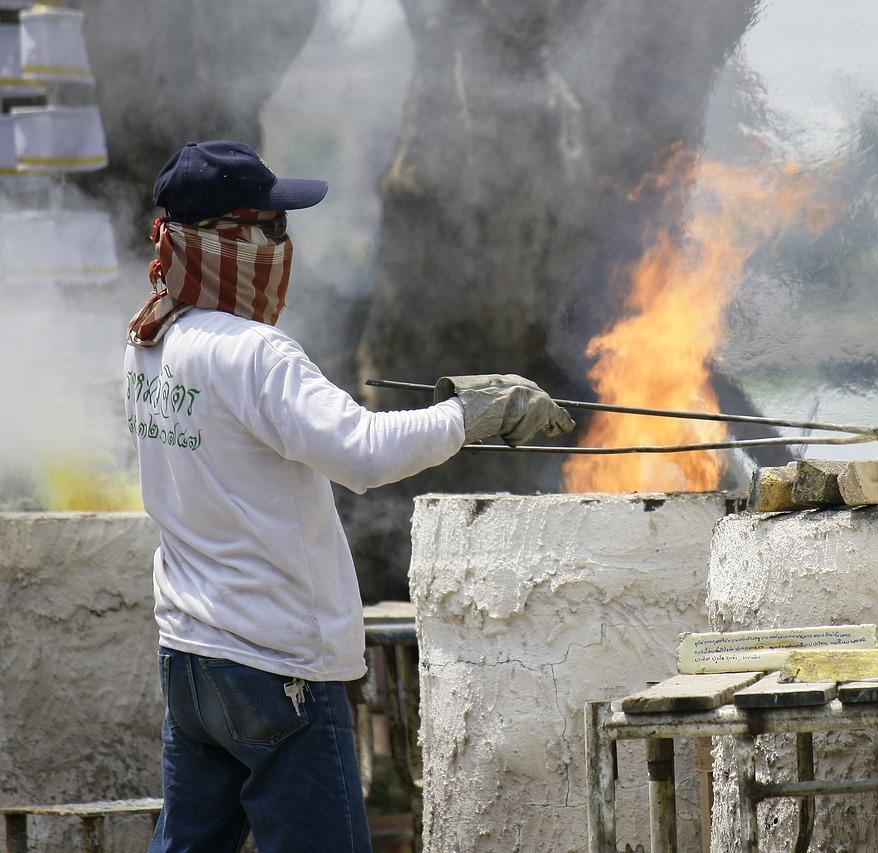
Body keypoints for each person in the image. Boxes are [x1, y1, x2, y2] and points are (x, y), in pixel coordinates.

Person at [124, 140, 575, 853]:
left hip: (191, 655)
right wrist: (474, 413)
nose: (284, 242)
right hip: (278, 667)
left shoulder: (151, 339)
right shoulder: (256, 354)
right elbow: (360, 452)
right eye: (273, 226)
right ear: (231, 238)